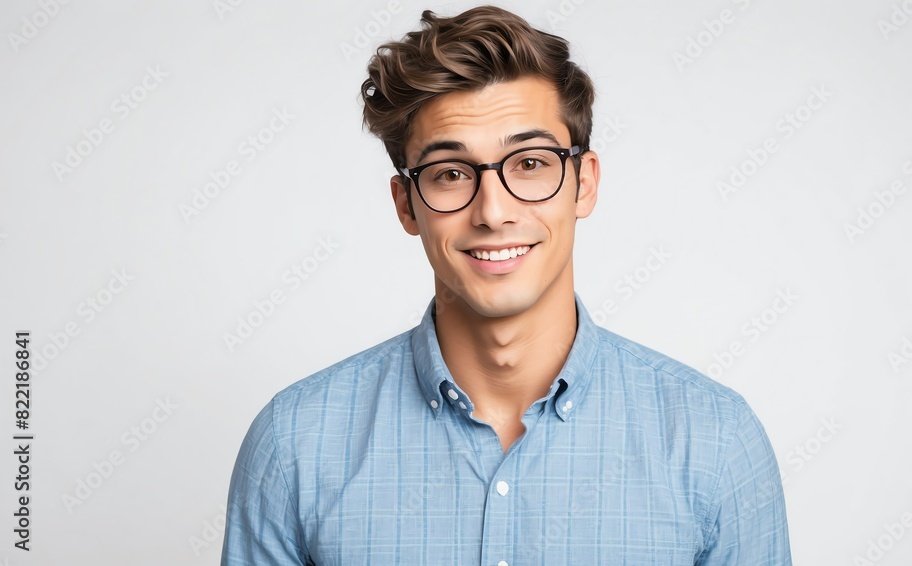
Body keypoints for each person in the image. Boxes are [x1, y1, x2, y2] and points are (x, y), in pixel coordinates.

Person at [222, 5, 792, 564]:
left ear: (584, 184)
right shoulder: (295, 443)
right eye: (450, 173)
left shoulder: (714, 440)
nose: (493, 211)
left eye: (529, 164)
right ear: (407, 206)